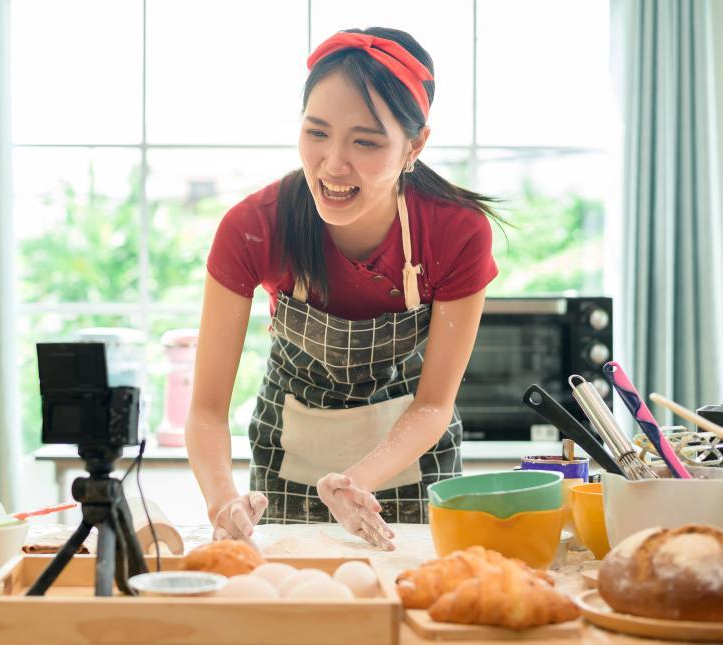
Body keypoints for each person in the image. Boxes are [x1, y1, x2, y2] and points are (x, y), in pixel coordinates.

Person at [185, 27, 501, 550]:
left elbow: (432, 404)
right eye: (316, 133)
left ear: (414, 145)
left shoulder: (456, 231)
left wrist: (358, 482)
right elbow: (207, 409)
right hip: (288, 459)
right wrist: (222, 500)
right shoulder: (252, 226)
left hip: (410, 460)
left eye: (366, 141)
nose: (333, 164)